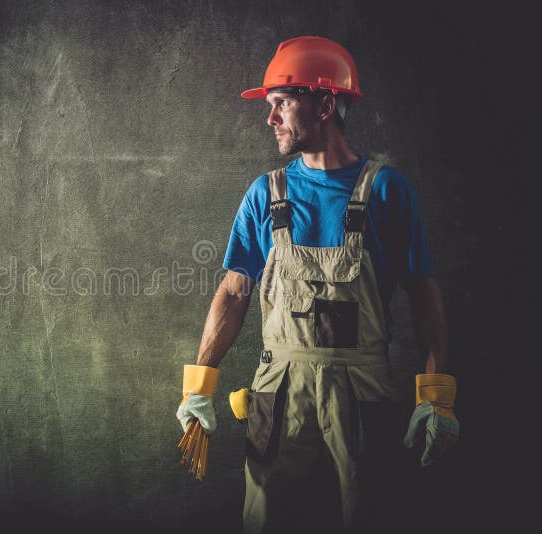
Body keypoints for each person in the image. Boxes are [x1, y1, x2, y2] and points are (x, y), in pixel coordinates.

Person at [176, 36, 459, 533]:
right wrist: (200, 386)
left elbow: (423, 291)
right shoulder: (266, 194)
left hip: (362, 385)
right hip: (280, 386)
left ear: (326, 103)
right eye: (270, 106)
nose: (271, 119)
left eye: (283, 103)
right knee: (263, 518)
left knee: (374, 515)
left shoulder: (387, 190)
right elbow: (235, 291)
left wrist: (435, 395)